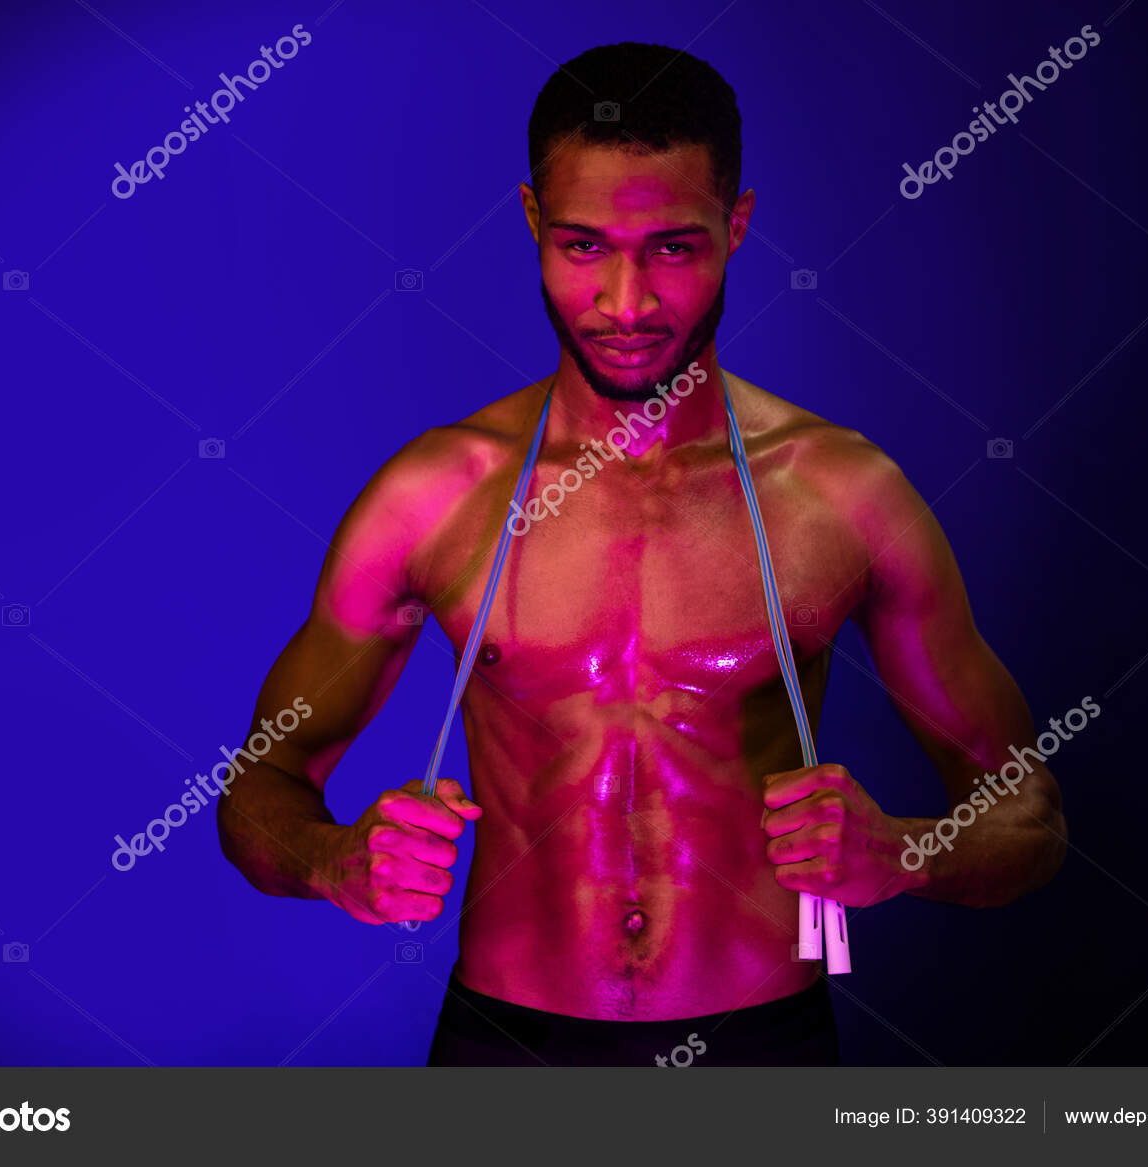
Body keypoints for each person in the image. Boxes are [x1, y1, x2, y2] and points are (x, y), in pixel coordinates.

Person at [217, 41, 1067, 1066]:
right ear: (531, 223)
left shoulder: (843, 495)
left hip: (762, 1049)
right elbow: (258, 788)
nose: (626, 304)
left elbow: (1029, 818)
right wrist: (333, 861)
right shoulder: (433, 499)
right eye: (582, 248)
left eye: (672, 247)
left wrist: (904, 855)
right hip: (506, 1050)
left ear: (735, 228)